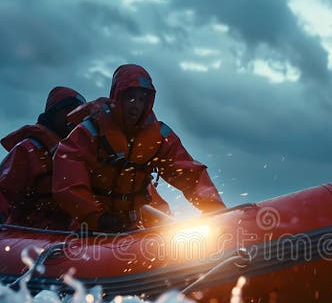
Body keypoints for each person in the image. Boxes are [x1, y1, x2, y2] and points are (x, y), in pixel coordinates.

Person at [53, 64, 225, 232]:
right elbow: (68, 182)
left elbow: (190, 176)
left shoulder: (160, 137)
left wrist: (217, 212)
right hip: (89, 229)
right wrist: (97, 218)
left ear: (148, 103)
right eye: (130, 98)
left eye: (142, 99)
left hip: (132, 227)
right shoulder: (90, 132)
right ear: (117, 97)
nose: (136, 105)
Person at [0, 86, 86, 233]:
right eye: (69, 110)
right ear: (53, 113)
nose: (74, 117)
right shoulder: (26, 150)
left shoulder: (80, 153)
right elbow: (0, 193)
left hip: (67, 235)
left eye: (78, 112)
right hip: (27, 234)